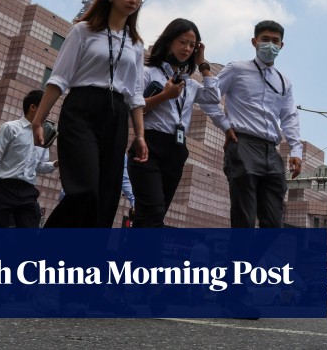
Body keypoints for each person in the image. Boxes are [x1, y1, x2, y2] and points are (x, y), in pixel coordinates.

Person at [34, 0, 150, 228]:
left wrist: (140, 136)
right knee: (83, 188)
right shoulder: (83, 31)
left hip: (116, 115)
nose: (134, 0)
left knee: (106, 196)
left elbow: (135, 95)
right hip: (81, 109)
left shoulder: (136, 44)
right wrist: (38, 120)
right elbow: (59, 79)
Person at [205, 20, 303, 228]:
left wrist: (296, 149)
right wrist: (225, 125)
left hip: (271, 150)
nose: (270, 45)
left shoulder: (284, 81)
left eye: (275, 41)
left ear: (282, 46)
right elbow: (208, 97)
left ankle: (252, 259)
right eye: (265, 39)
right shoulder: (237, 69)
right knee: (244, 216)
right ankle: (241, 260)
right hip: (243, 143)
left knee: (274, 222)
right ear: (254, 41)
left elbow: (289, 116)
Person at [129, 18, 220, 227]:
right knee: (153, 209)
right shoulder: (147, 72)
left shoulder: (190, 84)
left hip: (176, 150)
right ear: (169, 41)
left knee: (153, 216)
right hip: (149, 145)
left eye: (192, 44)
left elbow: (214, 96)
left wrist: (203, 64)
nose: (187, 48)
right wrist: (164, 96)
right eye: (182, 42)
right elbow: (134, 109)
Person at [0, 89, 58, 228]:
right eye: (45, 108)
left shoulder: (44, 134)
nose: (48, 112)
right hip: (4, 189)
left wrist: (55, 164)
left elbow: (38, 167)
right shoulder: (10, 128)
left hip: (28, 191)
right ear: (33, 107)